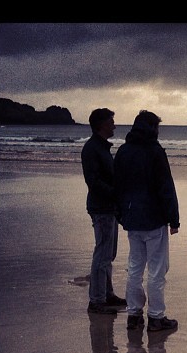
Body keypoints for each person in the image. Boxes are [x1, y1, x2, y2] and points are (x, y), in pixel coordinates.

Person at [114, 110, 180, 332]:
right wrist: (174, 218)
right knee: (157, 269)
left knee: (135, 266)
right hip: (153, 216)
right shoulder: (155, 151)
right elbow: (165, 187)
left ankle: (134, 315)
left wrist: (120, 213)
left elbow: (118, 187)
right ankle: (156, 317)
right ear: (153, 128)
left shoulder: (123, 151)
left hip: (132, 216)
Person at [81, 107, 126, 315]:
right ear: (101, 125)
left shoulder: (100, 148)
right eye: (111, 122)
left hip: (108, 207)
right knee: (102, 253)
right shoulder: (92, 149)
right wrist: (116, 193)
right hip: (101, 208)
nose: (114, 125)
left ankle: (106, 295)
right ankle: (97, 300)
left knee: (109, 253)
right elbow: (93, 182)